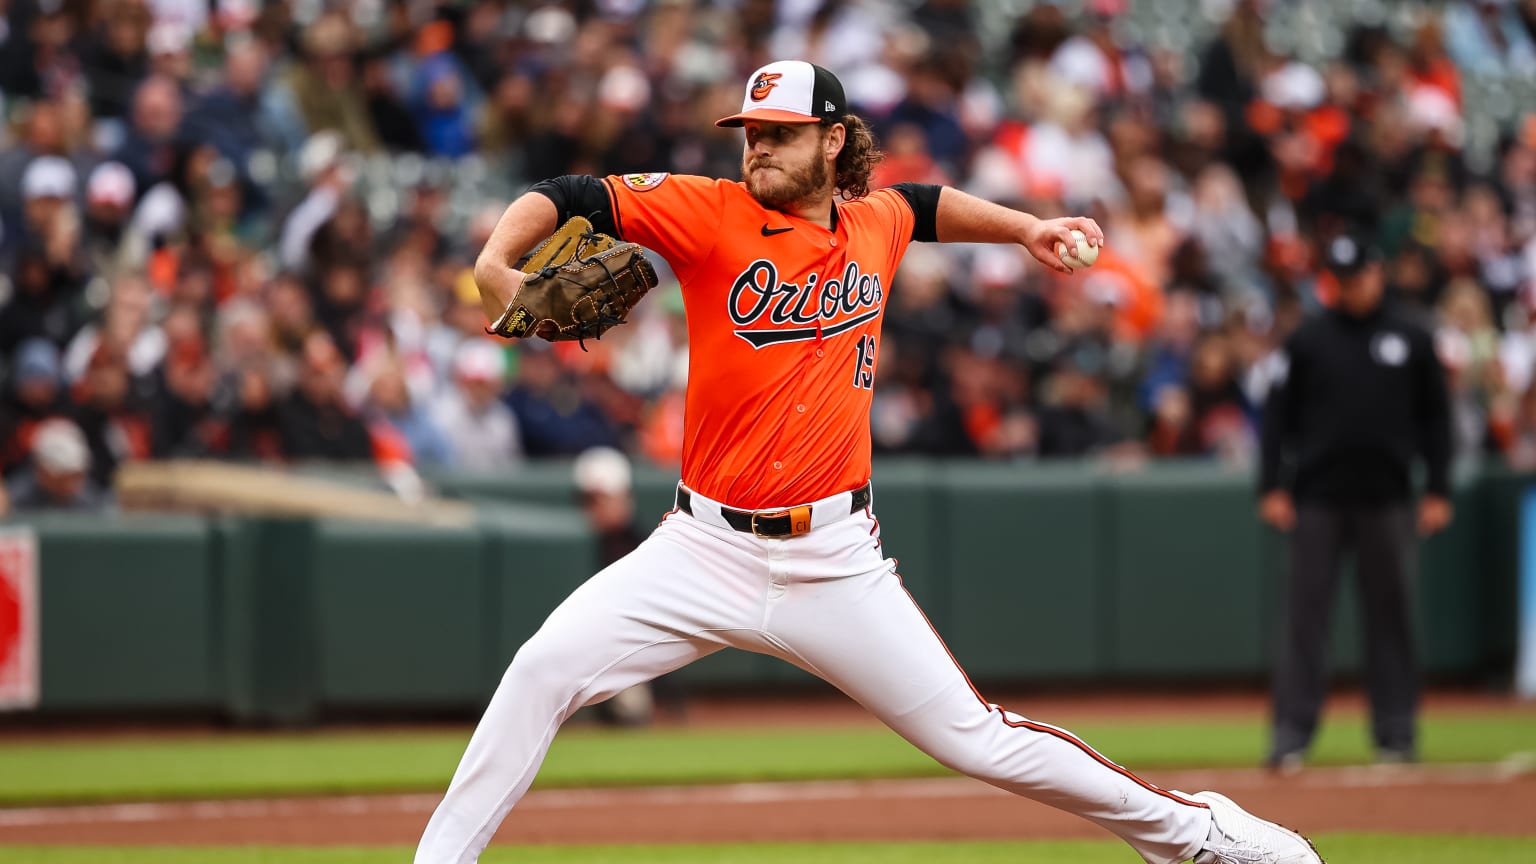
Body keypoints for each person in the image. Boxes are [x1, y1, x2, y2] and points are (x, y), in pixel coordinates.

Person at [418, 61, 1323, 864]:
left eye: (781, 134)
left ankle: (1199, 833)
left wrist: (1023, 230)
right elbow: (569, 191)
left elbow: (924, 206)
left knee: (979, 741)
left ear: (835, 139)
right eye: (751, 133)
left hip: (834, 559)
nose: (758, 149)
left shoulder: (875, 222)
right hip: (700, 549)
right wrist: (498, 262)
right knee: (541, 669)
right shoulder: (709, 213)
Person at [1258, 229, 1453, 774]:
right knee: (1305, 619)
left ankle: (1396, 733)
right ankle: (1290, 734)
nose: (1350, 287)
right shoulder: (1309, 339)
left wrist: (1437, 487)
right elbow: (1277, 417)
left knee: (1391, 617)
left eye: (1358, 276)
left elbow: (1436, 416)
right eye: (1340, 279)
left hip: (1387, 496)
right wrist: (1272, 484)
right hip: (1318, 496)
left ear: (1377, 272)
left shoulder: (1411, 336)